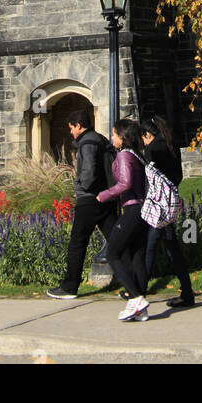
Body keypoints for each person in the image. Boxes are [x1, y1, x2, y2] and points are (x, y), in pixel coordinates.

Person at [46, 108, 116, 299]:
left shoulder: (87, 142)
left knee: (77, 243)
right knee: (117, 239)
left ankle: (69, 287)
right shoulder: (99, 139)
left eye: (72, 128)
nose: (71, 132)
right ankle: (133, 280)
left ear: (78, 125)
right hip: (106, 198)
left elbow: (89, 172)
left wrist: (80, 186)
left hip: (90, 200)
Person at [96, 118, 150, 321]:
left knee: (113, 253)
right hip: (142, 210)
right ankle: (140, 306)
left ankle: (135, 298)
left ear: (122, 137)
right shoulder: (138, 156)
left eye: (114, 134)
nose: (111, 138)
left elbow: (125, 183)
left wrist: (105, 195)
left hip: (132, 209)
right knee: (137, 256)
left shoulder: (124, 156)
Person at [141, 115, 195, 309]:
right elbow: (177, 175)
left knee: (153, 246)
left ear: (147, 134)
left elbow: (149, 177)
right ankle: (186, 291)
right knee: (168, 246)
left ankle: (139, 291)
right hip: (170, 203)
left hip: (158, 205)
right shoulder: (170, 146)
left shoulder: (152, 150)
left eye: (143, 137)